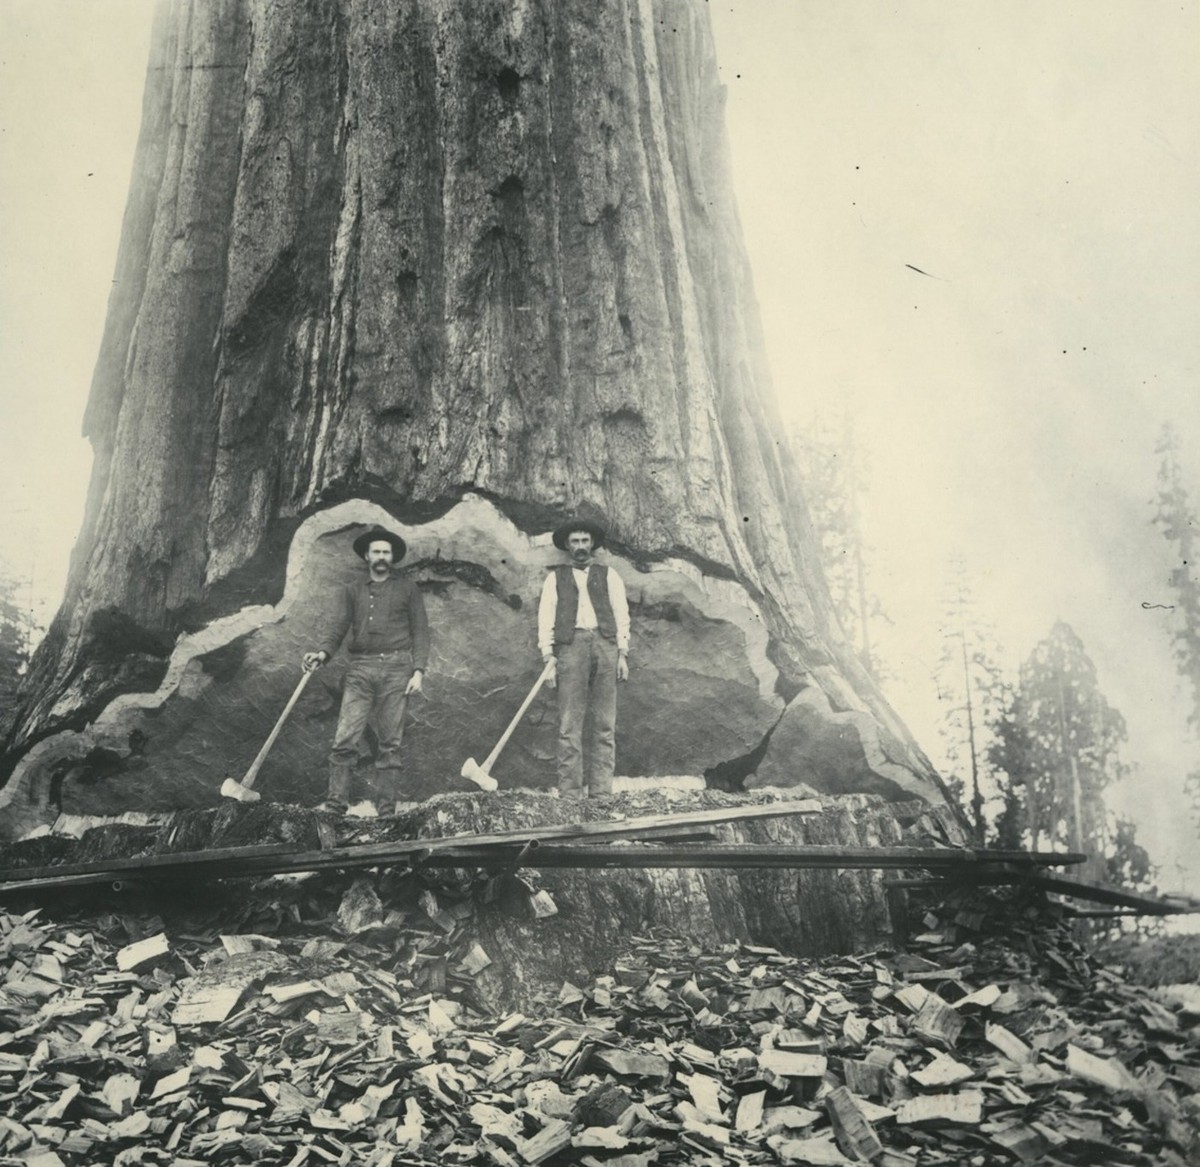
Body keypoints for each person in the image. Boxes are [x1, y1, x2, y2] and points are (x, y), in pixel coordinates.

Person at [303, 526, 429, 809]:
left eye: (386, 552)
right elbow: (338, 627)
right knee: (345, 739)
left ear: (392, 557)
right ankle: (335, 806)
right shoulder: (353, 591)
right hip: (360, 669)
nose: (382, 556)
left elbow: (421, 632)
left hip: (397, 669)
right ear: (367, 556)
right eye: (376, 552)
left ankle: (386, 811)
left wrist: (418, 671)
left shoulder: (408, 590)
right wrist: (322, 653)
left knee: (390, 743)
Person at [537, 518, 630, 798]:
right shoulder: (555, 578)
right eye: (575, 541)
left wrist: (623, 654)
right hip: (571, 648)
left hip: (606, 645)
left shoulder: (609, 575)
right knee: (569, 724)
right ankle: (570, 794)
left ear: (593, 544)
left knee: (604, 724)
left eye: (585, 541)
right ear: (567, 545)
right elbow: (545, 619)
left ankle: (602, 793)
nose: (580, 547)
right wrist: (547, 658)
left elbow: (621, 614)